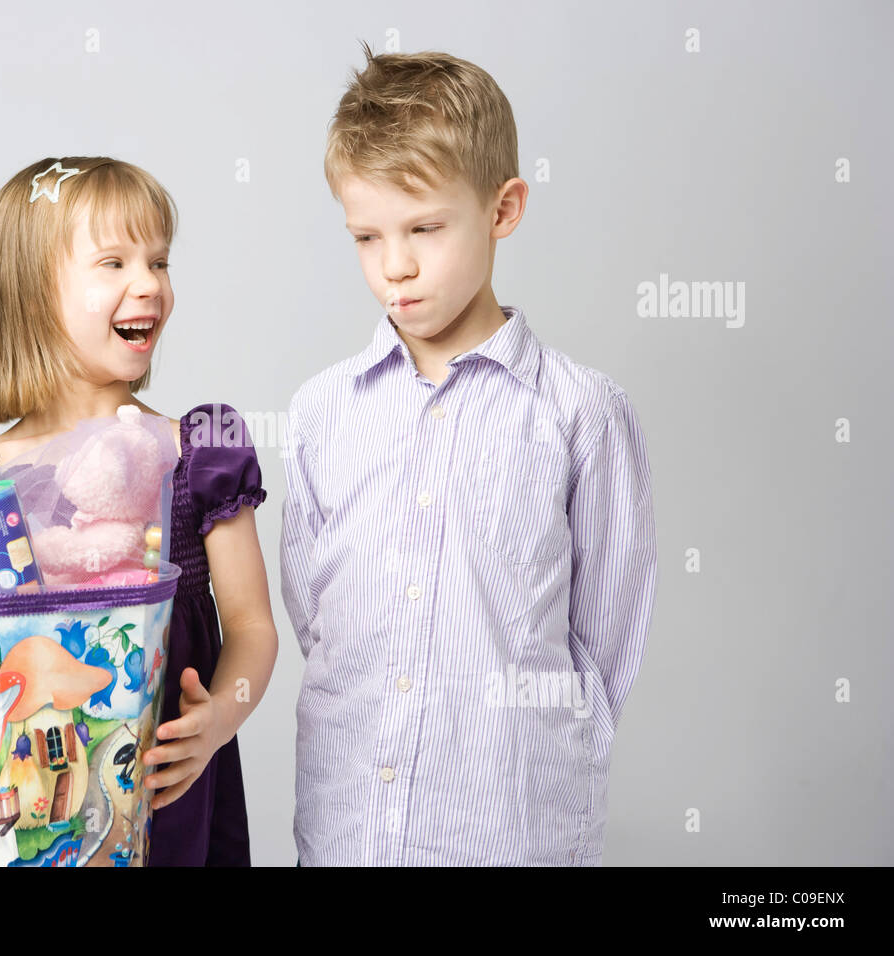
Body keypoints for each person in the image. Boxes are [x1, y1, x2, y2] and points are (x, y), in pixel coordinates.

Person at [280, 44, 658, 866]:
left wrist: (542, 755)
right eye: (367, 236)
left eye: (425, 228)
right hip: (348, 833)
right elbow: (319, 619)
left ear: (503, 207)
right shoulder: (320, 413)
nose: (396, 267)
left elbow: (605, 641)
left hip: (510, 834)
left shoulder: (580, 413)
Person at [0, 157, 279, 866]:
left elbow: (254, 626)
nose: (151, 285)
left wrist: (220, 718)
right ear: (33, 293)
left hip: (168, 800)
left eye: (160, 261)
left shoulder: (196, 452)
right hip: (24, 814)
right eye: (113, 262)